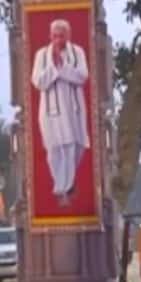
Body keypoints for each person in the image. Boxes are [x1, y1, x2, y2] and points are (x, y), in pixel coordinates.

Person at [30, 18, 90, 207]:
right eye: (54, 35)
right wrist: (53, 66)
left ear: (68, 36)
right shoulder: (42, 54)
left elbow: (82, 76)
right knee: (55, 148)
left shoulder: (77, 52)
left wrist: (62, 66)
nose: (57, 39)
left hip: (74, 109)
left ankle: (67, 184)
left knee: (75, 146)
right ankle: (62, 187)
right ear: (50, 36)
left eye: (61, 35)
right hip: (50, 111)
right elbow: (38, 82)